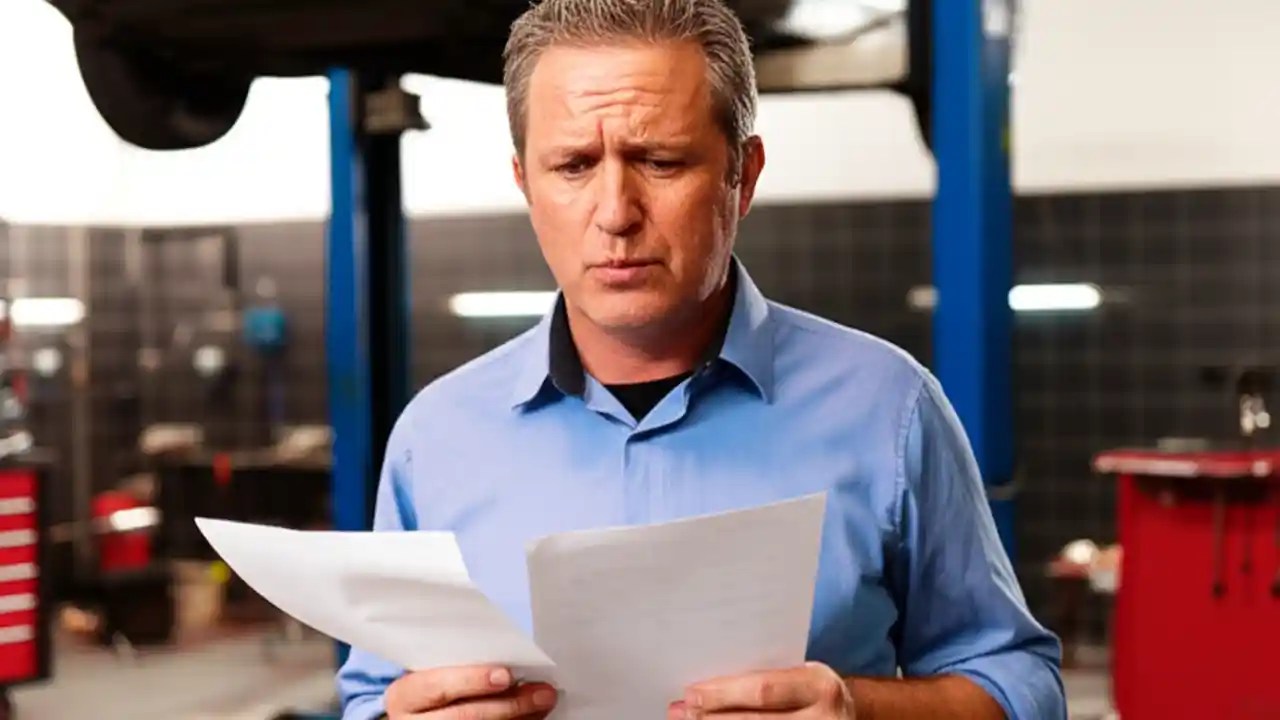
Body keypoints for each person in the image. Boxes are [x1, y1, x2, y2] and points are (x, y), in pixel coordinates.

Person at [338, 0, 1067, 717]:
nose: (615, 212)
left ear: (742, 176)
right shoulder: (436, 439)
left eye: (659, 161)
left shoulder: (889, 409)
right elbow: (371, 698)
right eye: (573, 165)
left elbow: (1020, 685)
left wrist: (860, 710)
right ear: (526, 183)